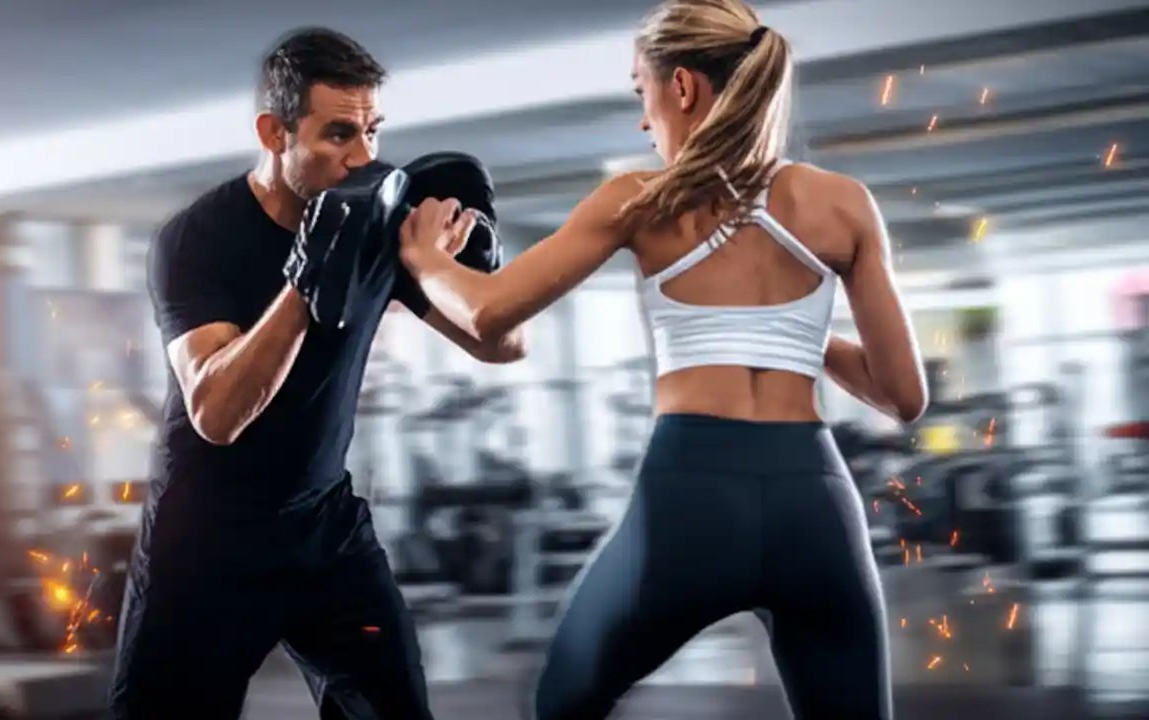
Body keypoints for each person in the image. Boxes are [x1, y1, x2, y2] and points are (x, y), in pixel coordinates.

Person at [396, 1, 928, 718]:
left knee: (563, 699)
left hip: (693, 497)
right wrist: (792, 334)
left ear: (682, 88)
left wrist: (424, 259)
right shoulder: (844, 204)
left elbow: (489, 310)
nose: (644, 121)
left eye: (640, 93)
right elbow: (903, 396)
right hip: (816, 503)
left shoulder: (637, 201)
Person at [109, 26, 525, 719]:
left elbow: (500, 344)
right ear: (275, 132)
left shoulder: (375, 217)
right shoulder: (197, 239)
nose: (363, 158)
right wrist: (309, 280)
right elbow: (217, 413)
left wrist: (447, 268)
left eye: (372, 133)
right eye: (338, 136)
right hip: (206, 541)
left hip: (325, 532)